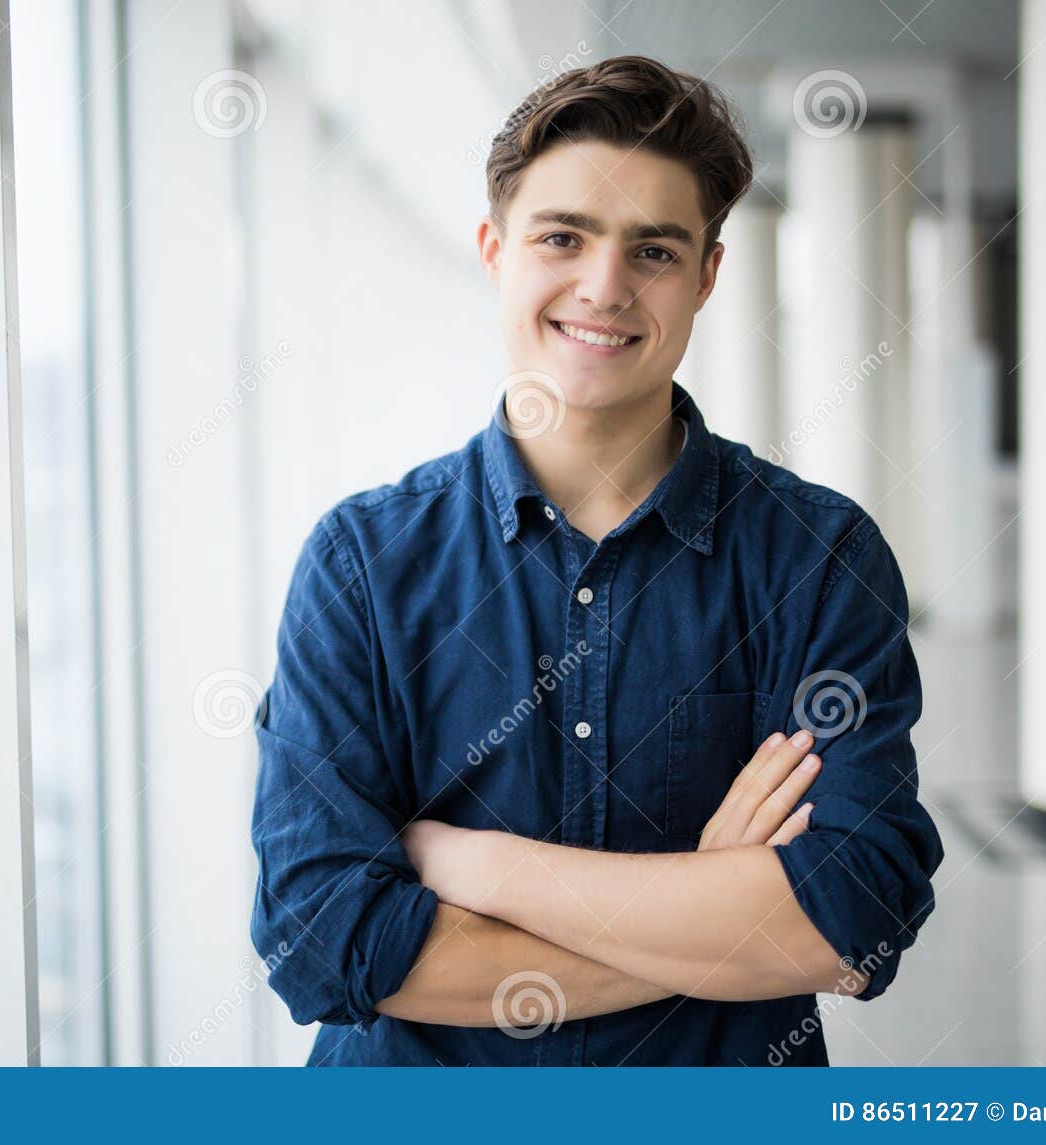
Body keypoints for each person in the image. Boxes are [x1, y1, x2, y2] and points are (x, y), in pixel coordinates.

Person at [248, 54, 943, 1066]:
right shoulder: (363, 562)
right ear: (494, 253)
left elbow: (854, 913)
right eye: (562, 237)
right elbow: (326, 939)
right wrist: (710, 909)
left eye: (652, 250)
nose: (604, 286)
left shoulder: (815, 555)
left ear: (706, 274)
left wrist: (475, 864)